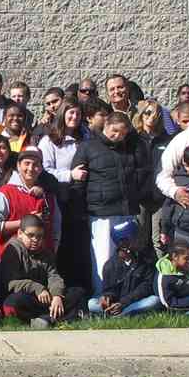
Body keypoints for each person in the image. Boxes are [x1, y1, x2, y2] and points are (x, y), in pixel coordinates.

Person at [71, 113, 150, 296]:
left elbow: (140, 174)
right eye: (114, 131)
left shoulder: (129, 148)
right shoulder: (88, 147)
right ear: (105, 125)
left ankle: (124, 298)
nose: (117, 136)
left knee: (127, 256)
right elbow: (78, 182)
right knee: (103, 257)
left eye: (122, 133)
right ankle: (102, 297)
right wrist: (79, 210)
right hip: (101, 213)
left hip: (126, 211)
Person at [4, 216, 84, 326]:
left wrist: (57, 296)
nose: (35, 240)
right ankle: (59, 317)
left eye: (39, 236)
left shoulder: (45, 252)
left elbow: (54, 276)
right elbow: (10, 283)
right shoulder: (12, 250)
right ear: (20, 233)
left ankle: (47, 318)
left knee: (77, 292)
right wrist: (37, 288)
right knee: (14, 301)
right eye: (31, 235)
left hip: (46, 298)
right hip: (27, 296)